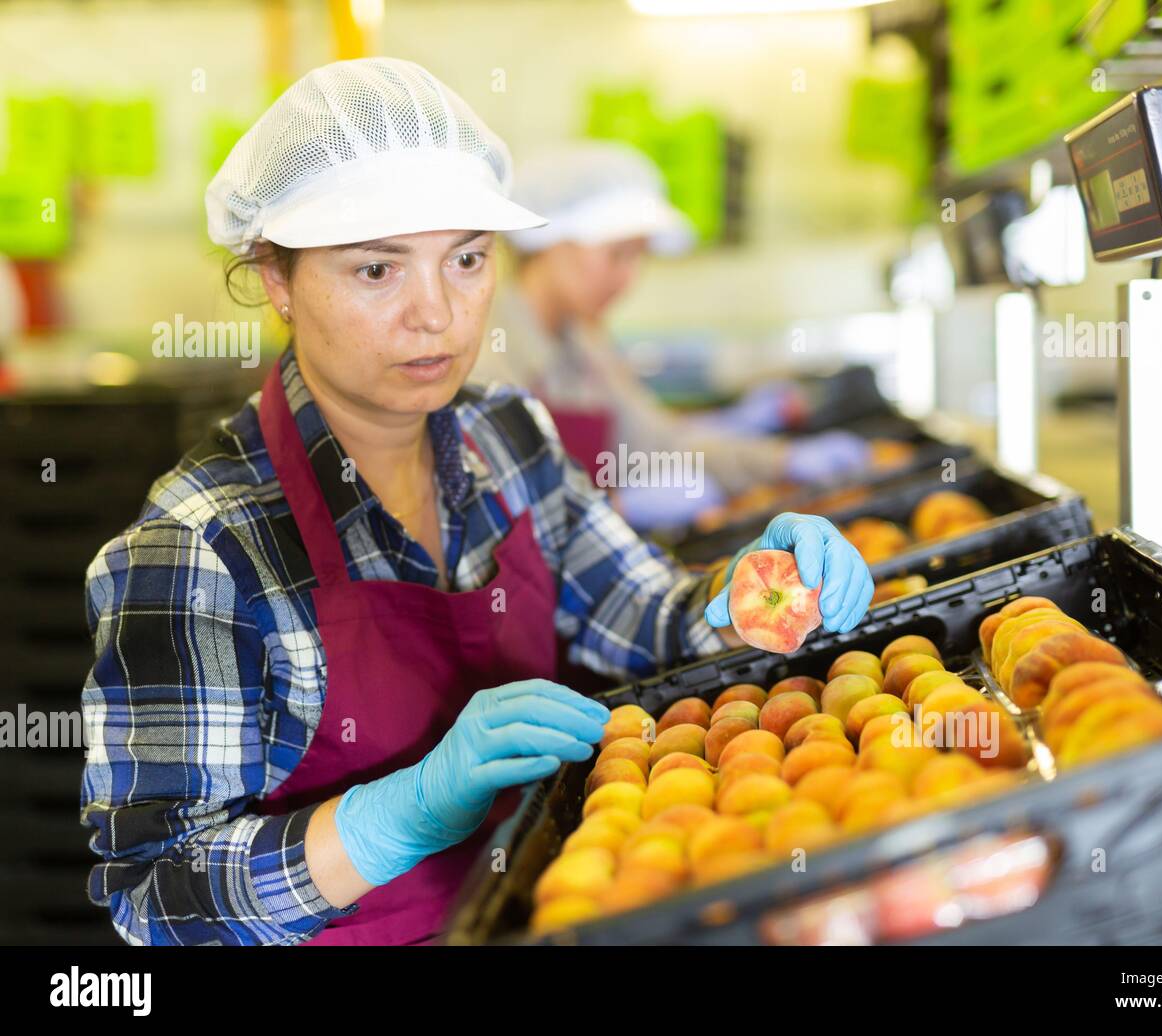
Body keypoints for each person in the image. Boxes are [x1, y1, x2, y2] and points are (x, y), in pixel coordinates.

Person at [77, 58, 874, 947]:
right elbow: (155, 895)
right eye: (377, 270)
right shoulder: (200, 550)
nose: (439, 315)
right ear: (274, 277)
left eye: (466, 258)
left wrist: (753, 595)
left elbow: (647, 617)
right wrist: (396, 817)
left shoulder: (507, 439)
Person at [473, 141, 876, 529]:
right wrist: (613, 508)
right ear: (552, 242)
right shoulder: (487, 352)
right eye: (617, 255)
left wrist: (780, 461)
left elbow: (654, 445)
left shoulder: (585, 341)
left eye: (639, 257)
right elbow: (493, 515)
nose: (630, 279)